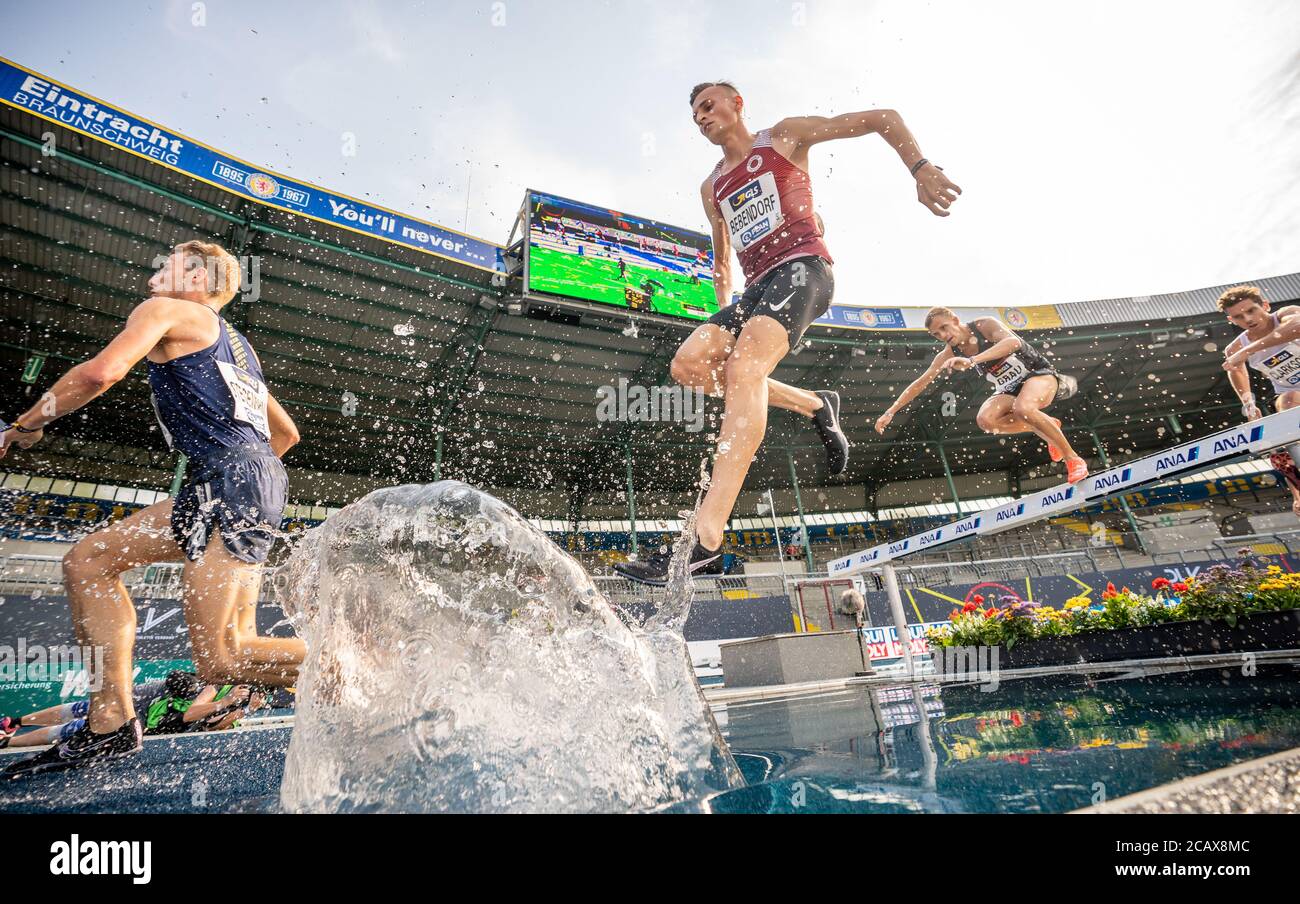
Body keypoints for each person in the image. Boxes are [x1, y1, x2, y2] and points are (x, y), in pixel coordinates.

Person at [616, 80, 961, 585]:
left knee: (745, 370)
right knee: (688, 365)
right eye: (695, 115)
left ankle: (704, 540)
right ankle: (814, 404)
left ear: (737, 104)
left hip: (804, 269)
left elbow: (882, 117)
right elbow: (721, 257)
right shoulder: (711, 187)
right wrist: (724, 311)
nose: (702, 118)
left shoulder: (784, 138)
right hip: (754, 290)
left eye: (708, 106)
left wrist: (920, 167)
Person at [0, 240, 305, 776]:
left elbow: (100, 373)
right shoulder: (239, 348)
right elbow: (285, 433)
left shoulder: (169, 311)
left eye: (163, 267)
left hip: (233, 480)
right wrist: (245, 480)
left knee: (222, 659)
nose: (150, 279)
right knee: (89, 561)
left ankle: (377, 673)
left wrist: (27, 425)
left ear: (196, 276)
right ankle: (110, 724)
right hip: (235, 479)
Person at [875, 308, 1086, 483]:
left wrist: (973, 360)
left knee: (1023, 409)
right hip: (1009, 389)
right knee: (986, 420)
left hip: (1038, 375)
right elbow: (921, 382)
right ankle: (1046, 425)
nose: (943, 336)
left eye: (944, 328)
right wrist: (891, 411)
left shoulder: (984, 325)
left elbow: (1013, 343)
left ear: (956, 320)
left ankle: (1073, 459)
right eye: (936, 335)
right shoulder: (949, 353)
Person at [0, 672, 267, 753]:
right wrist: (227, 700)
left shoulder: (239, 703)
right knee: (79, 714)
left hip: (145, 718)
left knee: (75, 725)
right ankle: (16, 723)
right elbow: (191, 713)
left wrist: (240, 713)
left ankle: (9, 738)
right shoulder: (223, 686)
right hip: (139, 703)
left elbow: (209, 728)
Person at [1219, 285, 1300, 516]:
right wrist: (1248, 403)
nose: (1248, 319)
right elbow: (1235, 369)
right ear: (1231, 320)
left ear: (1265, 305)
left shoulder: (1285, 314)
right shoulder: (1236, 347)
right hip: (1294, 391)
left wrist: (1248, 351)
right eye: (1239, 317)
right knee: (1284, 413)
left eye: (1252, 311)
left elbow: (1297, 327)